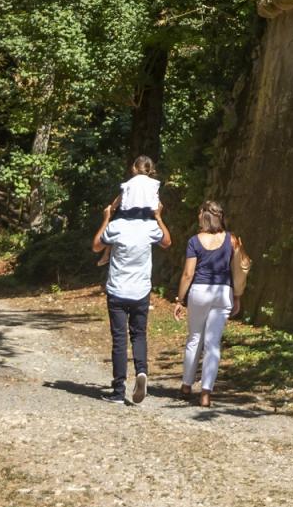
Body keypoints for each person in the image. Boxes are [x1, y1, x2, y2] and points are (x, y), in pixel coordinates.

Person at [92, 197, 172, 405]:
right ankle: (142, 371)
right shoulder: (149, 227)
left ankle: (118, 391)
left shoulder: (117, 226)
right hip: (141, 291)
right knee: (139, 335)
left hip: (118, 290)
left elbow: (96, 246)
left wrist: (107, 218)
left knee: (119, 339)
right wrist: (158, 216)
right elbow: (167, 241)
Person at [172, 200, 249, 407]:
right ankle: (206, 393)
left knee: (194, 338)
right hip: (223, 292)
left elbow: (188, 274)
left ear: (204, 216)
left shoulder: (195, 241)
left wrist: (180, 300)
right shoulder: (231, 240)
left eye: (199, 213)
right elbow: (239, 270)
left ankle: (187, 386)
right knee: (213, 343)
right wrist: (238, 296)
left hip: (199, 292)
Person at [96, 154, 161, 270]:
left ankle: (106, 254)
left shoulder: (130, 183)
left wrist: (112, 208)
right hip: (146, 215)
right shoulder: (153, 184)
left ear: (134, 168)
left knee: (114, 228)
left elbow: (121, 197)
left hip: (129, 214)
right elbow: (156, 201)